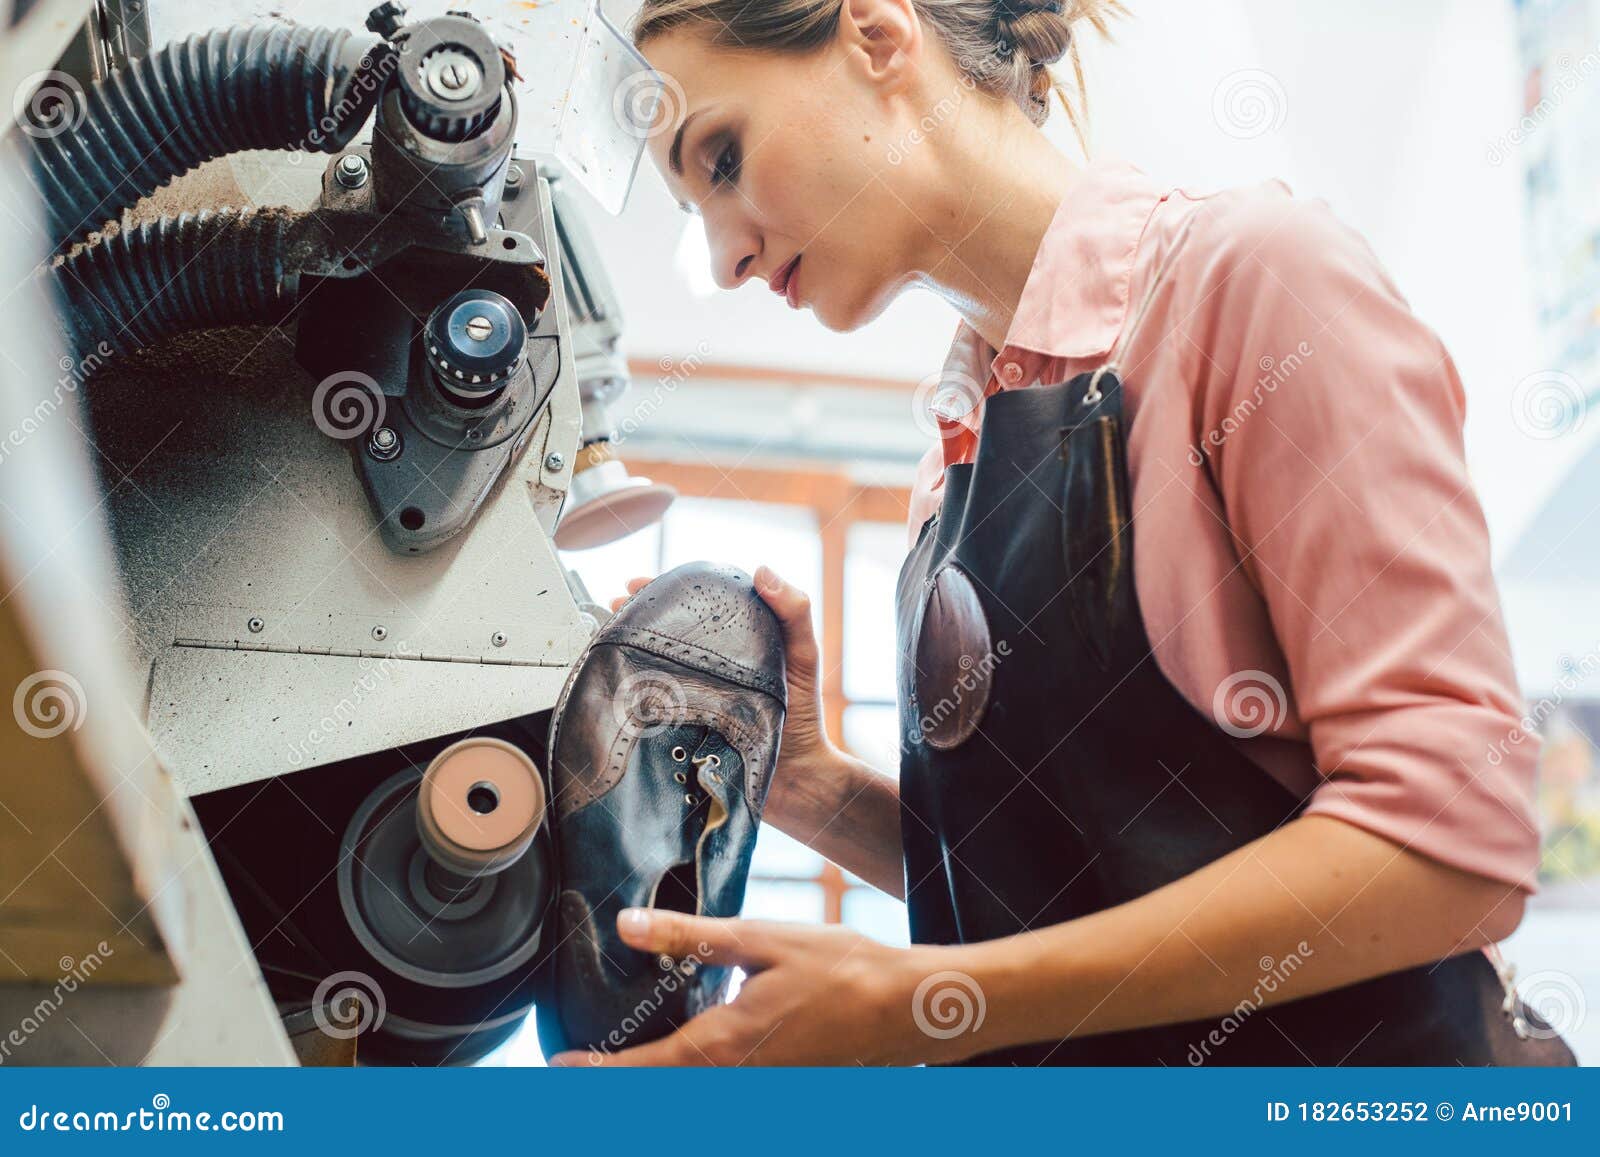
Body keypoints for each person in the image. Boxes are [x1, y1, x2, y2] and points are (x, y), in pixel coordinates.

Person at [552, 0, 1568, 1066]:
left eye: (720, 157)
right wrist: (812, 782)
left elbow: (1455, 842)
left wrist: (929, 995)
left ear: (875, 33)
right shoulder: (952, 463)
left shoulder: (1253, 280)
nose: (720, 260)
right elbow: (1074, 881)